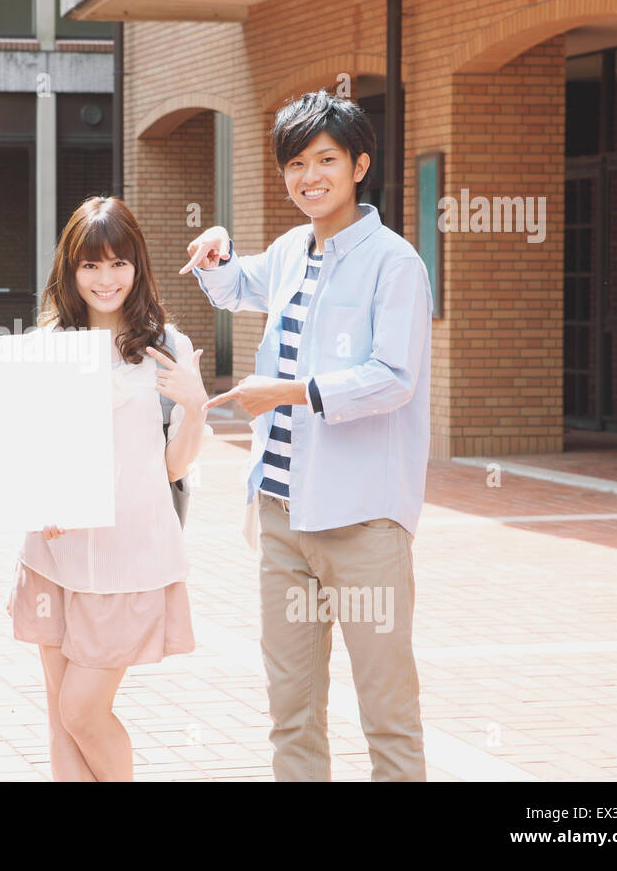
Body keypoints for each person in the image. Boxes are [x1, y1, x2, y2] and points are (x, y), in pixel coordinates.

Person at [181, 89, 432, 781]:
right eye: (295, 163)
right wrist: (219, 250)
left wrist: (290, 394)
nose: (308, 177)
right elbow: (238, 287)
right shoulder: (295, 249)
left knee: (387, 715)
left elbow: (393, 378)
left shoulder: (395, 263)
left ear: (359, 164)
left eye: (325, 159)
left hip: (363, 526)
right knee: (291, 713)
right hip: (282, 519)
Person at [8, 195, 208, 782]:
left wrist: (194, 410)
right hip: (54, 553)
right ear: (71, 270)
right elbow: (25, 448)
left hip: (130, 557)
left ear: (137, 266)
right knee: (59, 715)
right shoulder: (49, 344)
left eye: (118, 263)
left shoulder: (164, 345)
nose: (105, 278)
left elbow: (172, 467)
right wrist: (36, 490)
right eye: (90, 265)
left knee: (83, 709)